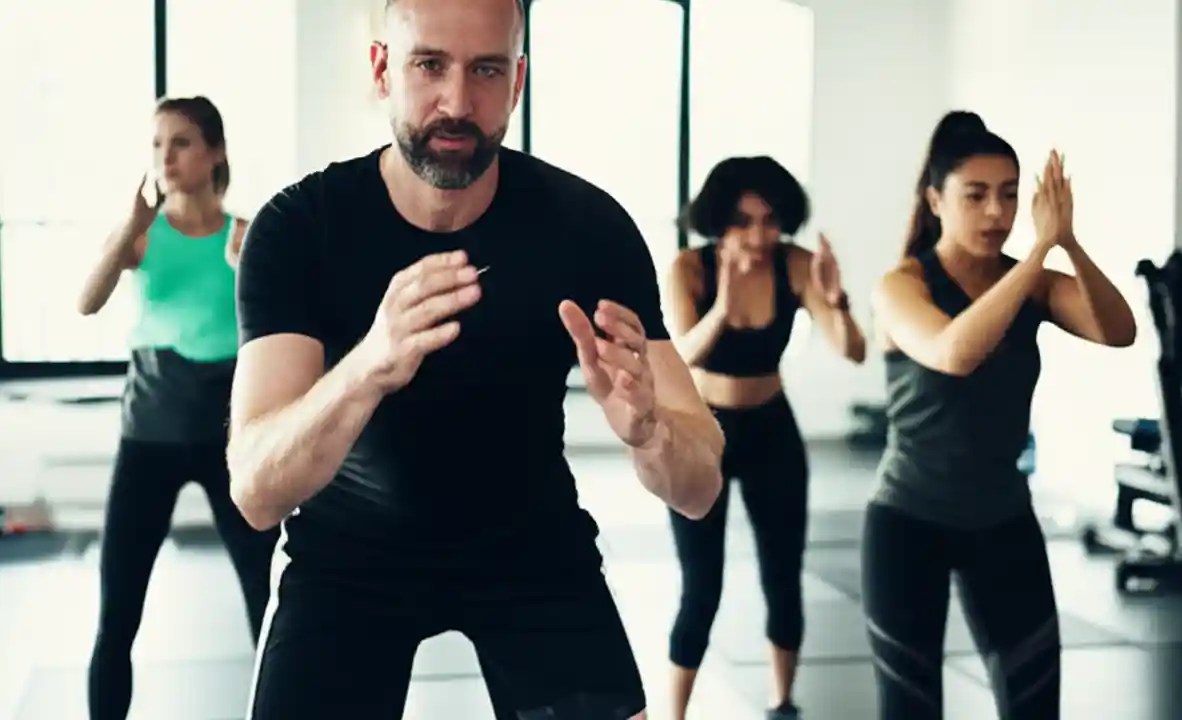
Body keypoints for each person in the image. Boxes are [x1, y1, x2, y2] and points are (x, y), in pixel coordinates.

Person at [226, 0, 725, 718]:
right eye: (429, 64)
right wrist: (369, 365)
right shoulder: (302, 229)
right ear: (381, 70)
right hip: (348, 559)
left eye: (486, 70)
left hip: (533, 550)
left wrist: (652, 435)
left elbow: (700, 488)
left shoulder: (587, 229)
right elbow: (255, 491)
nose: (458, 102)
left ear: (517, 81)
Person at [862, 110, 1137, 719]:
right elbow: (953, 352)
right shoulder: (901, 285)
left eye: (1011, 196)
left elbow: (1120, 331)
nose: (996, 213)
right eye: (977, 195)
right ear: (936, 199)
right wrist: (1038, 252)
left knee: (1036, 706)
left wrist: (1064, 242)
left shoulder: (1031, 281)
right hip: (909, 521)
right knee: (908, 710)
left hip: (1002, 520)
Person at [76, 95, 277, 720]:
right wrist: (126, 226)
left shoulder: (247, 237)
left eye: (182, 141)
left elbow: (275, 340)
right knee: (118, 614)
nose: (166, 155)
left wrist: (249, 274)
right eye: (158, 143)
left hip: (230, 441)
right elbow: (87, 301)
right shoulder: (141, 239)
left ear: (215, 153)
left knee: (268, 603)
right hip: (148, 442)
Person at [664, 156, 866, 719]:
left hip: (772, 427)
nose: (758, 235)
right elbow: (680, 358)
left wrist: (837, 298)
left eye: (770, 220)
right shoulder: (690, 269)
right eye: (743, 221)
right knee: (701, 585)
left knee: (784, 574)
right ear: (718, 222)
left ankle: (783, 703)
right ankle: (673, 713)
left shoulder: (796, 265)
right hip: (702, 430)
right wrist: (724, 311)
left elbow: (853, 351)